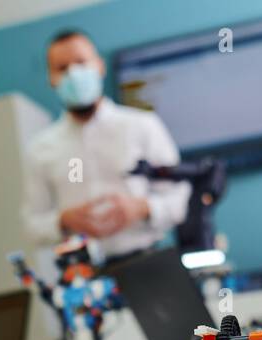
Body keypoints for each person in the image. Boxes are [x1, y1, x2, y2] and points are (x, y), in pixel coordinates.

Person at [21, 29, 189, 261]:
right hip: (82, 273)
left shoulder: (142, 126)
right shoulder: (40, 149)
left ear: (99, 66)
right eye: (62, 68)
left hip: (147, 263)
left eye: (81, 62)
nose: (74, 73)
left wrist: (140, 208)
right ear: (51, 78)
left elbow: (181, 198)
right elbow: (32, 225)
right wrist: (63, 220)